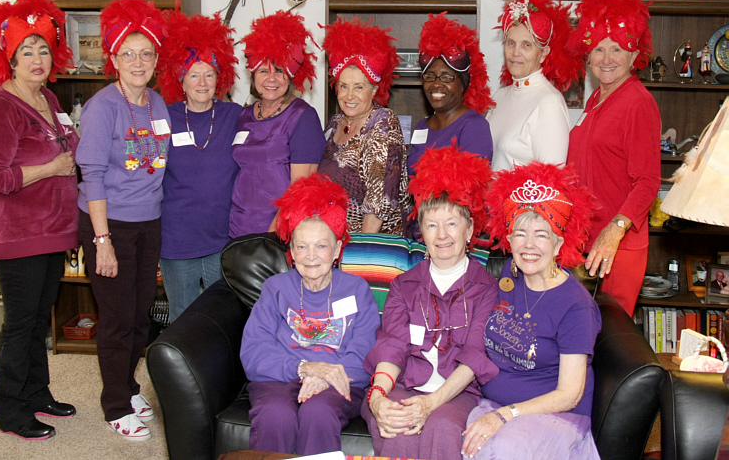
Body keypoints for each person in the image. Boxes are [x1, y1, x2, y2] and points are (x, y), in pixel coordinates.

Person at [0, 0, 78, 440]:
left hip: (53, 231)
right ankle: (10, 408)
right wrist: (50, 168)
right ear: (10, 59)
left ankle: (36, 392)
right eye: (27, 51)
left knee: (39, 321)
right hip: (19, 236)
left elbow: (68, 148)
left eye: (44, 50)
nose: (37, 59)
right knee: (19, 325)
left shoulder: (49, 99)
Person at [362, 146, 498, 460]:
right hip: (403, 384)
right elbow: (392, 346)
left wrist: (431, 403)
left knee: (442, 428)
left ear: (469, 230)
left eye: (451, 223)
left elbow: (475, 355)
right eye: (432, 225)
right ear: (421, 231)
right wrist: (378, 397)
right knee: (397, 425)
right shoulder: (404, 285)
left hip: (457, 392)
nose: (442, 235)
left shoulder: (487, 288)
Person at [76, 0, 169, 441]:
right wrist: (102, 241)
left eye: (146, 53)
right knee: (116, 319)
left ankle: (128, 386)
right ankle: (114, 404)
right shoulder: (102, 108)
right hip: (108, 224)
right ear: (113, 59)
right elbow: (91, 174)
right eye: (128, 54)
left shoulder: (157, 104)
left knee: (139, 315)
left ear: (156, 60)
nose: (138, 62)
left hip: (148, 223)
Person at [462, 162, 600, 459]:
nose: (528, 245)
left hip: (555, 417)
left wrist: (506, 415)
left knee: (501, 450)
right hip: (492, 407)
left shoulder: (576, 305)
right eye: (520, 234)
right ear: (509, 240)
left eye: (541, 235)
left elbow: (569, 394)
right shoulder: (507, 279)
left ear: (558, 243)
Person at [239, 174, 380, 455]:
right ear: (291, 251)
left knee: (318, 412)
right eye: (302, 246)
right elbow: (254, 354)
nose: (311, 256)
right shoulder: (275, 288)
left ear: (337, 249)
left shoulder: (357, 290)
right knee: (275, 415)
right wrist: (305, 368)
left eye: (321, 246)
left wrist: (326, 376)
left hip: (339, 381)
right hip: (280, 379)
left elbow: (365, 355)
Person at [567, 0, 661, 314]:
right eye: (599, 49)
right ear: (588, 56)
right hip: (587, 241)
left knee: (610, 330)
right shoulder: (596, 99)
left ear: (634, 56)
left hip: (617, 247)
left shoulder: (638, 103)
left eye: (617, 49)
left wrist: (615, 230)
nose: (606, 59)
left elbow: (648, 181)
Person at [156, 11, 241, 323]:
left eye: (209, 74)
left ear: (220, 78)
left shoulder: (235, 115)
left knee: (224, 319)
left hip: (223, 240)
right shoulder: (164, 117)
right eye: (193, 75)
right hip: (177, 241)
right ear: (181, 79)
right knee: (183, 319)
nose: (202, 83)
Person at [230, 11, 326, 238]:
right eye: (264, 71)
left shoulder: (303, 117)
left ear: (290, 77)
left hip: (278, 232)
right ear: (253, 76)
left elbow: (300, 190)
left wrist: (272, 236)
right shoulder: (243, 115)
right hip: (237, 229)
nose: (271, 79)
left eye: (280, 71)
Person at [318, 18, 412, 236]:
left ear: (374, 90)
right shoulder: (334, 123)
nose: (349, 96)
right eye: (344, 86)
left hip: (372, 244)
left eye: (359, 87)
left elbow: (379, 202)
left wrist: (362, 248)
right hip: (332, 242)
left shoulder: (382, 123)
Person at [487, 0, 583, 172]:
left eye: (527, 45)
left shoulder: (549, 102)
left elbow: (550, 181)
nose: (516, 52)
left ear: (543, 54)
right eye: (511, 43)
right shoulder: (499, 96)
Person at [407, 13, 494, 176]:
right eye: (430, 76)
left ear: (463, 84)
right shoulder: (422, 126)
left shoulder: (474, 126)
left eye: (447, 77)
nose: (436, 84)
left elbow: (472, 184)